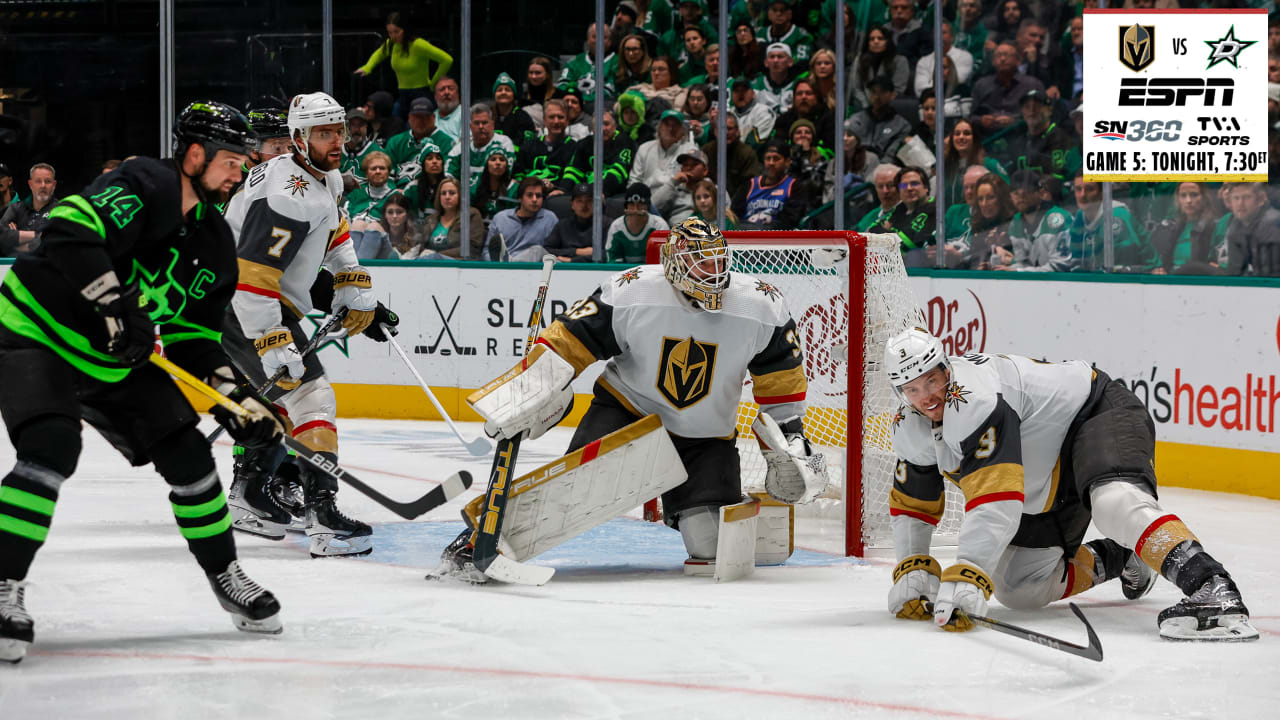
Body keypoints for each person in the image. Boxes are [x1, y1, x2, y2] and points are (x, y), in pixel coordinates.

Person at [0, 102, 283, 663]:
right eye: (230, 161)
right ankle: (4, 582)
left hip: (113, 359)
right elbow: (69, 230)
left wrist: (234, 397)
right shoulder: (145, 182)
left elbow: (193, 342)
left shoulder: (215, 245)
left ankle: (225, 572)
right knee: (50, 448)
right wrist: (113, 308)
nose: (238, 174)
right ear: (195, 155)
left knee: (191, 461)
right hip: (37, 332)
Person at [437, 218, 822, 580]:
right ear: (672, 264)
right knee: (568, 494)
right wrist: (533, 390)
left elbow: (781, 380)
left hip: (705, 438)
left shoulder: (760, 306)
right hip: (628, 414)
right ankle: (477, 542)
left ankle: (724, 502)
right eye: (699, 264)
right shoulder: (631, 289)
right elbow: (570, 340)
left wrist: (791, 438)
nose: (712, 274)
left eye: (717, 263)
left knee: (710, 547)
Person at [883, 327, 1257, 642]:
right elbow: (913, 505)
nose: (927, 396)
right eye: (912, 389)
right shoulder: (909, 427)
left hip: (1094, 414)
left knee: (1114, 502)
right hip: (1045, 469)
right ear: (901, 394)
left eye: (932, 379)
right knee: (1019, 586)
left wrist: (969, 569)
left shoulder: (976, 398)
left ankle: (1212, 586)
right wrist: (913, 569)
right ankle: (1125, 555)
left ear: (946, 369)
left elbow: (996, 497)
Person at [222, 92, 397, 557]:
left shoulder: (325, 177)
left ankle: (252, 495)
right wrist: (271, 338)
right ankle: (323, 515)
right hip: (242, 304)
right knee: (310, 396)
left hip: (259, 299)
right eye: (324, 133)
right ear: (299, 138)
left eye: (338, 130)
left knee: (285, 402)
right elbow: (251, 275)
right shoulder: (284, 196)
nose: (335, 140)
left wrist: (352, 284)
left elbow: (336, 232)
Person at [354, 11, 453, 119]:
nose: (393, 36)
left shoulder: (418, 45)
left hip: (421, 93)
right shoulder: (391, 44)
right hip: (402, 94)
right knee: (396, 123)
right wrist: (367, 67)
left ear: (405, 29)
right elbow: (378, 54)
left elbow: (447, 60)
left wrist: (434, 83)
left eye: (396, 32)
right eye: (390, 32)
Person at [1069, 173, 1157, 273]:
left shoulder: (1116, 217)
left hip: (1148, 276)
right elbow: (1076, 259)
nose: (1082, 194)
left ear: (1101, 193)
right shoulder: (1080, 216)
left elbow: (1127, 266)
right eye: (1078, 189)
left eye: (1089, 189)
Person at [996, 169, 1073, 272]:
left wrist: (1018, 272)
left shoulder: (1057, 219)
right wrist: (1005, 269)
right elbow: (1024, 263)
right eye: (1016, 193)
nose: (1020, 198)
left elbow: (1060, 267)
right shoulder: (1016, 222)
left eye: (1026, 192)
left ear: (1040, 193)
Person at [731, 139, 809, 229]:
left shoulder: (794, 187)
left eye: (776, 159)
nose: (771, 163)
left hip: (777, 237)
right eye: (768, 158)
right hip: (747, 235)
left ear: (787, 162)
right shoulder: (749, 185)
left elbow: (790, 220)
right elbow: (735, 216)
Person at [1149, 182, 1224, 275]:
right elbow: (1156, 262)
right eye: (1183, 196)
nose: (1188, 200)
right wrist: (1158, 270)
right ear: (1178, 199)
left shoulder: (1215, 227)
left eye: (1194, 195)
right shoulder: (1169, 227)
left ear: (1204, 198)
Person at [404, 177, 485, 260]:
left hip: (461, 264)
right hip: (431, 264)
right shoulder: (431, 219)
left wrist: (437, 255)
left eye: (452, 193)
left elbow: (473, 248)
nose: (447, 197)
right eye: (443, 193)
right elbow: (420, 245)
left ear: (460, 195)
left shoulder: (471, 215)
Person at [560, 110, 636, 199]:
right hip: (587, 192)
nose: (603, 128)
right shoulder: (583, 144)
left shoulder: (625, 142)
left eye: (606, 124)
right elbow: (573, 171)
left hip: (613, 193)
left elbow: (619, 172)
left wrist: (600, 192)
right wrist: (563, 189)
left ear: (614, 127)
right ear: (592, 129)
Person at [971, 41, 1044, 134]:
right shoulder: (981, 85)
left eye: (1007, 55)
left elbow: (1041, 117)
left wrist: (1016, 121)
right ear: (993, 62)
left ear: (1018, 61)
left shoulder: (1032, 85)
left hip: (1022, 136)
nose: (1002, 59)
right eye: (998, 55)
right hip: (987, 136)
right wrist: (981, 120)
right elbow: (971, 117)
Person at [384, 96, 453, 188]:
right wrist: (394, 192)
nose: (421, 121)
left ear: (433, 117)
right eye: (417, 117)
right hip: (398, 193)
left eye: (425, 117)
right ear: (409, 117)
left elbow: (447, 176)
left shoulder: (446, 142)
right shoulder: (395, 142)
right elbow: (385, 172)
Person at [485, 177, 557, 261]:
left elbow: (555, 250)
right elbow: (487, 251)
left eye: (538, 196)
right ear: (520, 198)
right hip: (505, 269)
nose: (534, 199)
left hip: (538, 267)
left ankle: (509, 262)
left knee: (537, 250)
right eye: (529, 195)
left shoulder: (550, 218)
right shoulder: (501, 218)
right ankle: (508, 263)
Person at [629, 109, 697, 194]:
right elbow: (634, 181)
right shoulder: (644, 148)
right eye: (666, 124)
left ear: (683, 130)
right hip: (647, 200)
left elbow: (692, 184)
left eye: (675, 125)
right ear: (659, 128)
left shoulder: (691, 151)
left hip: (677, 200)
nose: (671, 128)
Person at [941, 118, 1006, 207]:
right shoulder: (946, 168)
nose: (961, 137)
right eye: (957, 134)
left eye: (967, 133)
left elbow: (1006, 193)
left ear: (975, 138)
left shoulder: (989, 164)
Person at [514, 99, 578, 187]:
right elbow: (518, 174)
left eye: (560, 117)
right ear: (544, 120)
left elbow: (571, 180)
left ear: (567, 121)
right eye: (551, 117)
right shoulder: (528, 146)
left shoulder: (575, 148)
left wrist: (554, 187)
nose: (556, 121)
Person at [847, 76, 913, 162]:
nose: (877, 97)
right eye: (873, 92)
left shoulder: (902, 126)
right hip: (856, 165)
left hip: (883, 168)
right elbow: (848, 149)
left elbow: (891, 155)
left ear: (893, 95)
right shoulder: (856, 119)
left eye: (882, 92)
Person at [959, 173, 1016, 269]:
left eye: (990, 198)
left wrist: (998, 247)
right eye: (980, 199)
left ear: (1001, 198)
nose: (984, 204)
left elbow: (1024, 262)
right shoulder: (978, 226)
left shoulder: (1015, 224)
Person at [1222, 182, 1280, 277]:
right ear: (1230, 202)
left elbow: (1270, 276)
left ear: (1260, 200)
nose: (1240, 203)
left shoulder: (1273, 223)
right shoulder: (1234, 228)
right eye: (1236, 198)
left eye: (1247, 197)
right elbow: (1235, 273)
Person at [445, 103, 516, 180]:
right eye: (476, 123)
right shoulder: (462, 146)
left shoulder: (504, 143)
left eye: (484, 123)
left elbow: (506, 175)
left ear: (492, 124)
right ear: (470, 126)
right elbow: (448, 174)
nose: (481, 126)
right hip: (464, 191)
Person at [701, 114, 761, 201]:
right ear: (715, 131)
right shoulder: (706, 151)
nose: (725, 132)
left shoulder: (747, 154)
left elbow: (751, 186)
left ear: (737, 131)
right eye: (722, 128)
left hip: (739, 203)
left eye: (729, 129)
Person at [0, 163, 57, 256]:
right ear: (30, 184)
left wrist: (16, 241)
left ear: (54, 184)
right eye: (38, 181)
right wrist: (37, 235)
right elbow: (1, 235)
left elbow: (53, 242)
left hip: (44, 267)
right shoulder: (16, 208)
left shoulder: (60, 210)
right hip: (11, 267)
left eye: (47, 181)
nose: (43, 185)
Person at [885, 165, 936, 267]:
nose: (909, 188)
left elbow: (912, 241)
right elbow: (873, 229)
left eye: (914, 184)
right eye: (903, 186)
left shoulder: (935, 208)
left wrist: (885, 233)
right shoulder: (898, 209)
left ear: (926, 187)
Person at [607, 183, 670, 263]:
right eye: (631, 204)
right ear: (626, 206)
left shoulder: (659, 226)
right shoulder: (616, 228)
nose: (635, 209)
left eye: (640, 204)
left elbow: (663, 262)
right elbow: (613, 264)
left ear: (648, 206)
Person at [852, 27, 910, 113]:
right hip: (866, 104)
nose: (876, 42)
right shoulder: (859, 61)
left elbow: (899, 89)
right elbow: (856, 88)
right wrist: (867, 104)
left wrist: (880, 101)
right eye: (872, 39)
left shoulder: (900, 61)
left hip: (890, 104)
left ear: (888, 41)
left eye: (880, 38)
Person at [824, 119, 881, 205]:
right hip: (840, 208)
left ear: (858, 139)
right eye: (842, 135)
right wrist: (840, 189)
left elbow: (873, 190)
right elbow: (827, 196)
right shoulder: (833, 162)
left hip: (864, 207)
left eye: (849, 135)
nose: (845, 138)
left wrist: (859, 191)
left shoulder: (871, 159)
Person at [913, 21, 974, 98]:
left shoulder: (965, 57)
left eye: (943, 33)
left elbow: (956, 81)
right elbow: (920, 89)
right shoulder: (923, 61)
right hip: (930, 105)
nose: (939, 36)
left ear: (952, 37)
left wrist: (931, 85)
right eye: (936, 33)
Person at [543, 183, 598, 263]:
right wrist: (577, 252)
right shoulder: (562, 225)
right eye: (579, 201)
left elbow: (608, 254)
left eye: (589, 201)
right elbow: (547, 250)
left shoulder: (604, 224)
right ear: (572, 204)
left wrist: (572, 260)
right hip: (565, 269)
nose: (584, 205)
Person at [654, 147, 710, 224]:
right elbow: (653, 208)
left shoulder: (715, 190)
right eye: (685, 165)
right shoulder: (673, 188)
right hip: (677, 233)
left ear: (705, 170)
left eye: (694, 164)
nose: (689, 168)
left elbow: (727, 216)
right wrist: (673, 182)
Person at [757, 0, 813, 66]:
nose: (778, 14)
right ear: (769, 14)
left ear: (790, 14)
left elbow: (801, 63)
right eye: (774, 10)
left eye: (782, 10)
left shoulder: (801, 35)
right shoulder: (760, 33)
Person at [727, 76, 776, 150]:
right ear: (732, 95)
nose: (740, 94)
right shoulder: (728, 114)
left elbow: (753, 143)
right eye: (737, 91)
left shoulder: (763, 112)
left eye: (744, 90)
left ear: (753, 93)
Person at [344, 151, 396, 221]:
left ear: (388, 172)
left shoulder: (395, 197)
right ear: (366, 174)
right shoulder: (355, 195)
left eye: (382, 168)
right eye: (373, 169)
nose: (378, 171)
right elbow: (344, 220)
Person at [402, 142, 446, 223]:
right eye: (429, 158)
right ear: (423, 164)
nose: (434, 161)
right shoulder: (412, 187)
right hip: (416, 230)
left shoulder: (447, 186)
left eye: (438, 158)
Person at [491, 73, 537, 148]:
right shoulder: (487, 115)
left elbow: (527, 146)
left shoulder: (523, 117)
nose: (503, 92)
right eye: (499, 90)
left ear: (513, 95)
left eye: (507, 90)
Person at [339, 108, 380, 190]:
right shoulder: (335, 150)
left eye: (360, 125)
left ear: (366, 127)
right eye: (352, 125)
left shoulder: (377, 152)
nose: (357, 129)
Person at [473, 147, 517, 220]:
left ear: (506, 165)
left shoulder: (514, 188)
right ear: (486, 164)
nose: (498, 163)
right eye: (493, 159)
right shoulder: (475, 183)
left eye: (502, 160)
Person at [857, 162, 902, 232]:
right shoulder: (869, 218)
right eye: (880, 186)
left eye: (890, 185)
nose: (885, 191)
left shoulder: (909, 212)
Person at [433, 76, 463, 142]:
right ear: (435, 96)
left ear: (458, 94)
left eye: (451, 89)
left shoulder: (467, 113)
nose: (446, 92)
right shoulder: (430, 118)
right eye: (442, 89)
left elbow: (467, 143)